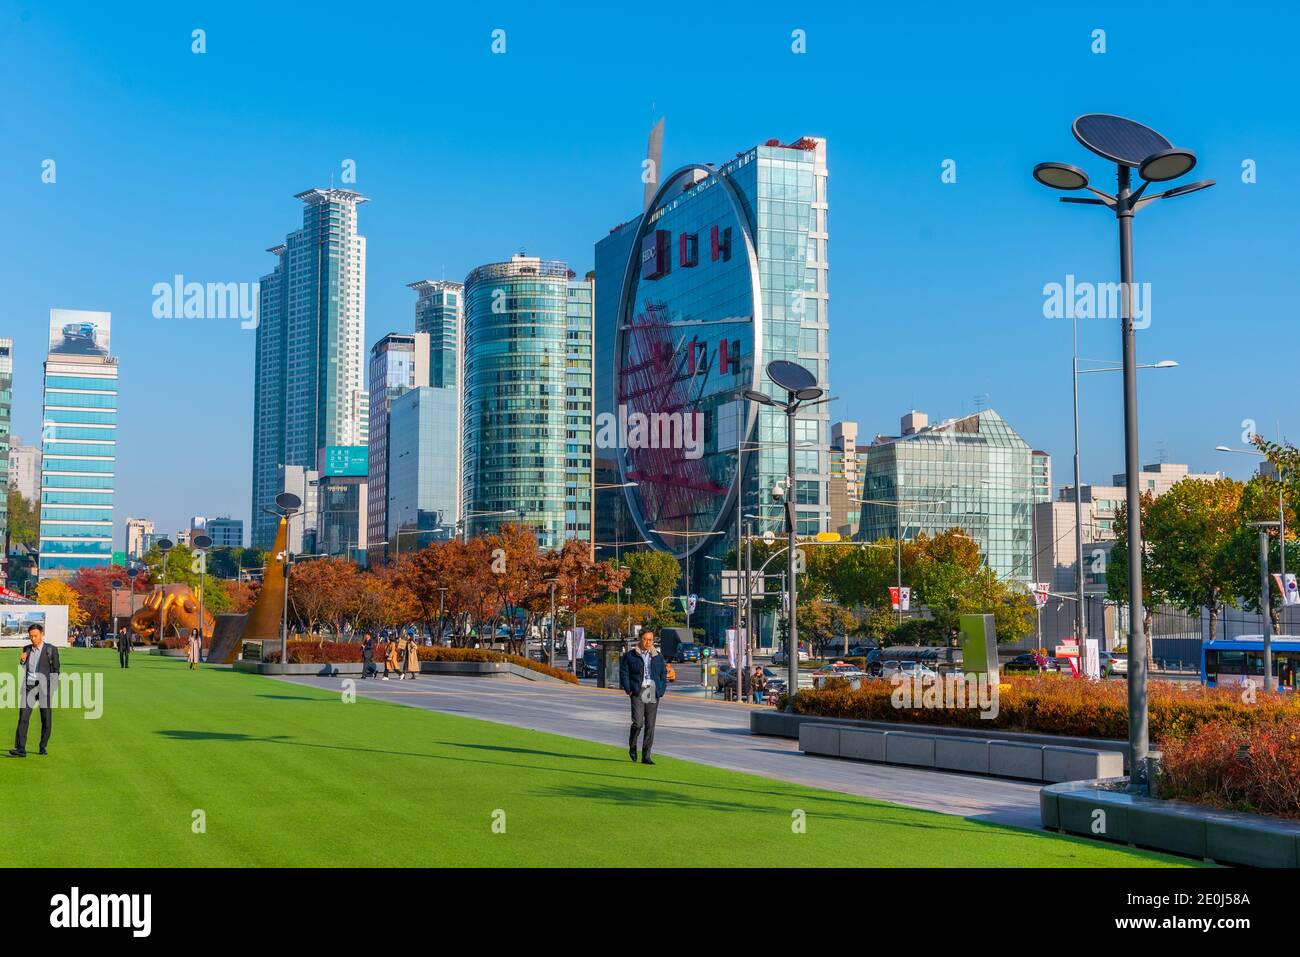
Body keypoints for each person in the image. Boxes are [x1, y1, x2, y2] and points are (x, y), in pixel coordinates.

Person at [618, 629, 667, 765]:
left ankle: (646, 755)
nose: (647, 642)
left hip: (652, 690)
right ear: (640, 639)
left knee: (650, 725)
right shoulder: (630, 656)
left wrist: (661, 690)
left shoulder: (658, 656)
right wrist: (629, 689)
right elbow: (624, 673)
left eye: (650, 640)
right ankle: (632, 745)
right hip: (638, 691)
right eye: (645, 639)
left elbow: (663, 674)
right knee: (638, 723)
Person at [11, 622, 59, 757]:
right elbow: (23, 665)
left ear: (42, 634)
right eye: (31, 636)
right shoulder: (26, 649)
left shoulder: (51, 650)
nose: (33, 639)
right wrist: (21, 661)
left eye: (35, 636)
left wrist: (52, 689)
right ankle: (21, 748)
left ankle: (42, 746)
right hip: (29, 687)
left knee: (46, 719)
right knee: (23, 718)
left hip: (44, 688)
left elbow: (56, 670)